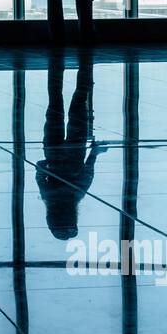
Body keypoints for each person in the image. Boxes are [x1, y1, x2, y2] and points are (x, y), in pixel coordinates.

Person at [35, 49, 103, 240]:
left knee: (78, 102)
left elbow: (88, 171)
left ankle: (85, 67)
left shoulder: (76, 195)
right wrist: (46, 165)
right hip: (53, 148)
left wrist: (94, 152)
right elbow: (40, 172)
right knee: (55, 101)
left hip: (76, 147)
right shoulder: (49, 196)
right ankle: (56, 65)